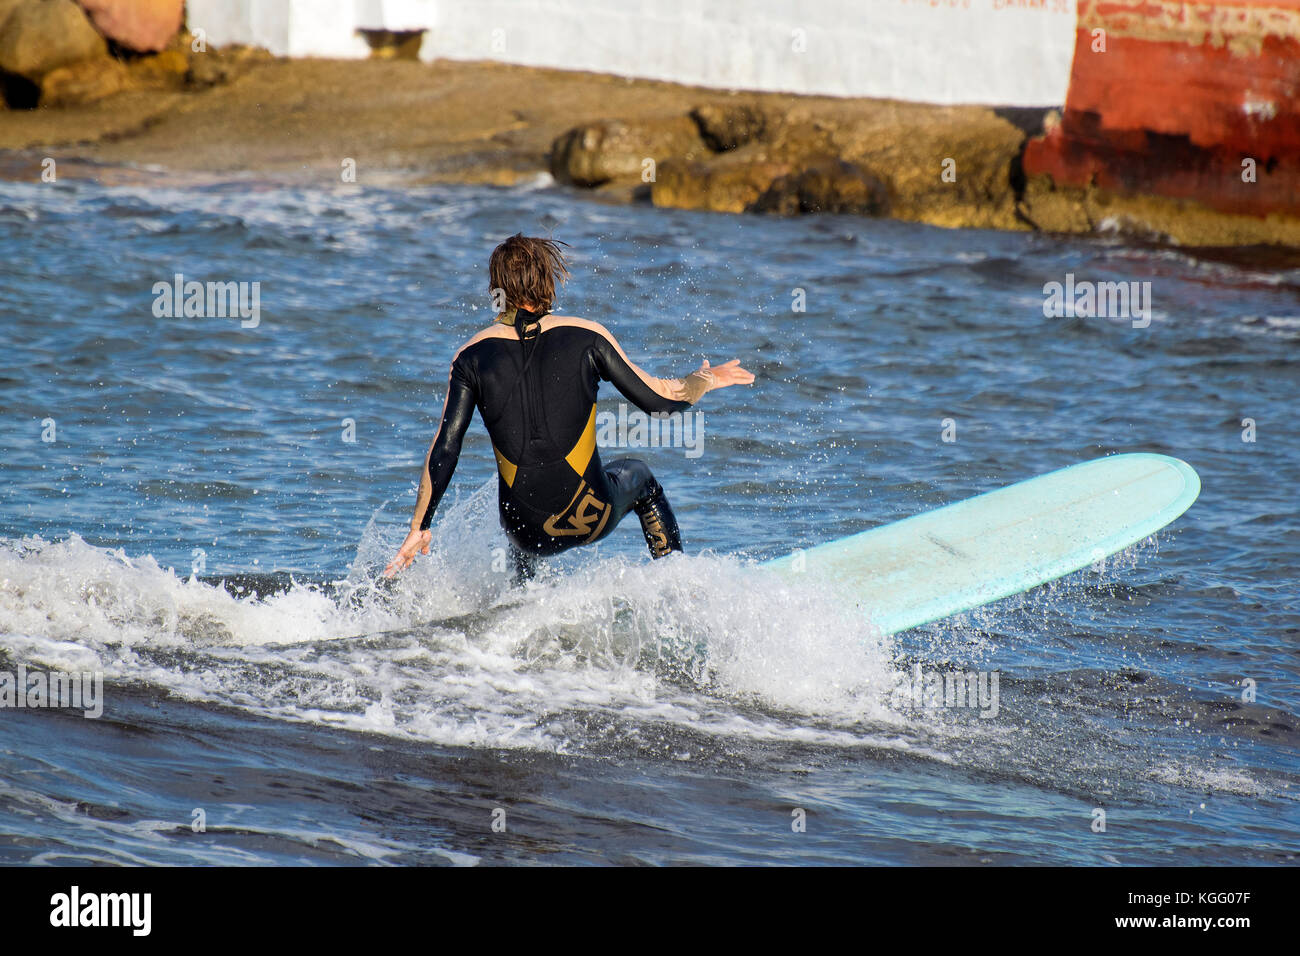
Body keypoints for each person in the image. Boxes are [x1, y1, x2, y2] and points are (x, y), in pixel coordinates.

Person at [383, 234, 754, 580]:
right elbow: (660, 403)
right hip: (591, 514)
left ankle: (517, 621)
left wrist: (420, 527)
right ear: (548, 283)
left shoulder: (470, 357)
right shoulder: (588, 335)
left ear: (497, 291)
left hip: (525, 532)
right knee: (641, 477)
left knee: (520, 515)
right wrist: (705, 379)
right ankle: (678, 584)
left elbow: (446, 449)